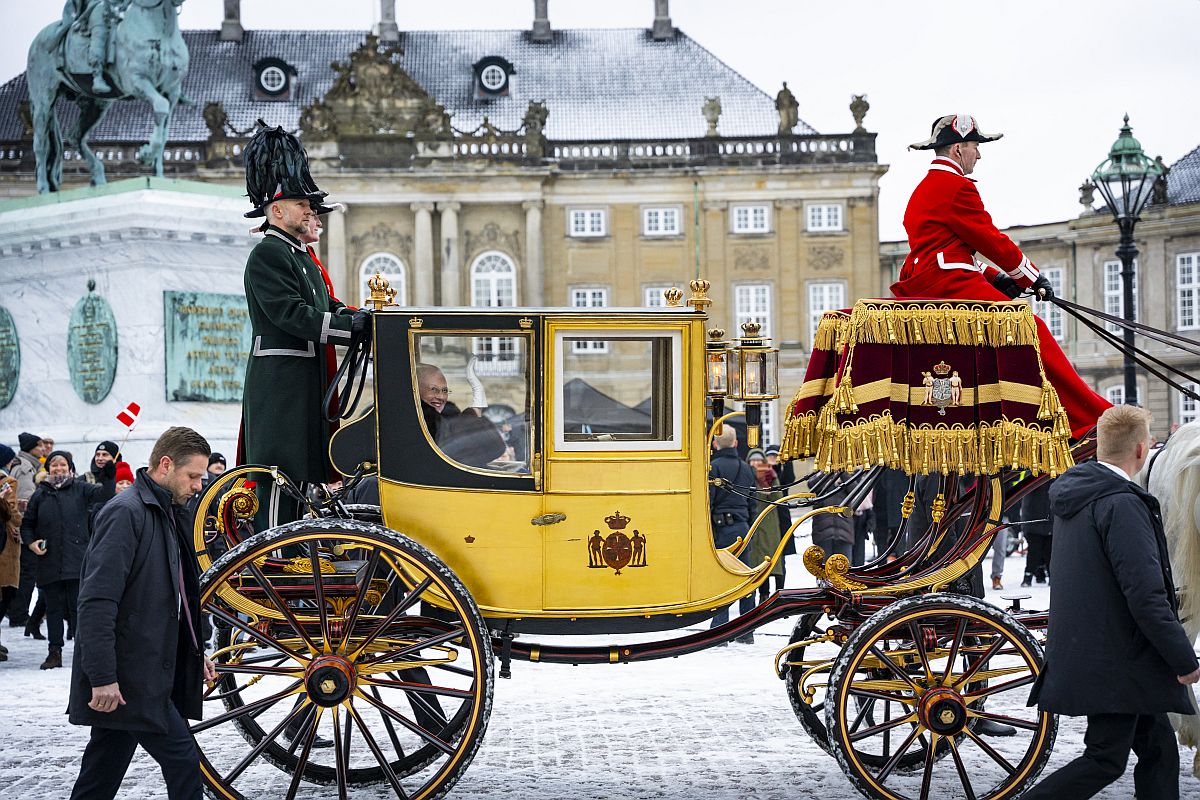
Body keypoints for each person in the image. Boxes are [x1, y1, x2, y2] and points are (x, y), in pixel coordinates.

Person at [892, 114, 1110, 438]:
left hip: (932, 277)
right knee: (1028, 326)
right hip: (947, 283)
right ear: (958, 149)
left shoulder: (923, 190)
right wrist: (1031, 278)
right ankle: (1087, 418)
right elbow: (990, 239)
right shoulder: (955, 187)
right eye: (975, 147)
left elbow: (946, 251)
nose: (978, 155)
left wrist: (994, 278)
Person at [1025, 405, 1200, 799]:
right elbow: (1146, 595)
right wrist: (1184, 660)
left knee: (1158, 749)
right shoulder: (1121, 504)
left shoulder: (1082, 493)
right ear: (1142, 450)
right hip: (1118, 662)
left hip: (1106, 654)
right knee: (1105, 759)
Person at [68, 426, 217, 800]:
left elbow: (180, 595)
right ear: (165, 465)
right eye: (193, 476)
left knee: (100, 774)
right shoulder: (125, 513)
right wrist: (102, 677)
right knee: (183, 761)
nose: (199, 485)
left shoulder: (166, 510)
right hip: (131, 678)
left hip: (142, 672)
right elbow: (97, 601)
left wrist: (196, 653)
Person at [238, 125, 368, 523]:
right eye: (302, 204)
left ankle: (294, 543)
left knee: (306, 471)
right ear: (276, 209)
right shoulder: (269, 255)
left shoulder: (301, 258)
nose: (311, 211)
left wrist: (361, 320)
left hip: (306, 378)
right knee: (281, 472)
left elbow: (327, 305)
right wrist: (350, 329)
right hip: (283, 381)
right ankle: (274, 555)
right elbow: (291, 314)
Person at [20, 450, 112, 669]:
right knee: (53, 609)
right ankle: (55, 652)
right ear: (48, 468)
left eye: (63, 465)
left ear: (70, 469)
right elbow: (27, 524)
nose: (58, 469)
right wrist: (31, 543)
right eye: (54, 465)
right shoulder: (40, 493)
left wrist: (108, 476)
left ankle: (84, 652)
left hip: (77, 561)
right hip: (49, 561)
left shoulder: (80, 488)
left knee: (79, 608)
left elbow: (105, 495)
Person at [708, 426, 758, 642]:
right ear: (736, 443)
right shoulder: (746, 469)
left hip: (721, 528)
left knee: (722, 578)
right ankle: (746, 629)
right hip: (742, 527)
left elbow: (708, 502)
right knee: (745, 578)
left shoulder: (713, 467)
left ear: (714, 444)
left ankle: (720, 629)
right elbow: (753, 504)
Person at [417, 363, 506, 468]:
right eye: (434, 390)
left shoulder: (445, 418)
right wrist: (473, 413)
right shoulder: (425, 421)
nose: (441, 396)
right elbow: (493, 446)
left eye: (444, 391)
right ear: (416, 390)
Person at [8, 431, 45, 632]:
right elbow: (23, 501)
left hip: (22, 529)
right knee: (26, 573)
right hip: (23, 531)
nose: (42, 449)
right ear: (31, 447)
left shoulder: (27, 465)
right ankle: (19, 613)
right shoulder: (24, 467)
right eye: (39, 446)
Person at [746, 448, 785, 599]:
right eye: (752, 460)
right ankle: (763, 595)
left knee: (772, 561)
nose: (755, 463)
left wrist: (767, 484)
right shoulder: (747, 475)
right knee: (757, 561)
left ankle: (777, 595)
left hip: (769, 524)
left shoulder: (770, 475)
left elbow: (778, 498)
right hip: (754, 523)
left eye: (758, 460)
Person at [0, 444, 20, 662]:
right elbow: (14, 518)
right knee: (6, 594)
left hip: (5, 544)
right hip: (4, 545)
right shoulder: (7, 482)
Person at [1019, 479, 1052, 587]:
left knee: (1049, 551)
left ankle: (1048, 575)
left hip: (1049, 520)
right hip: (1034, 520)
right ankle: (1029, 576)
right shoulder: (1033, 476)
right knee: (1034, 551)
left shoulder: (1056, 475)